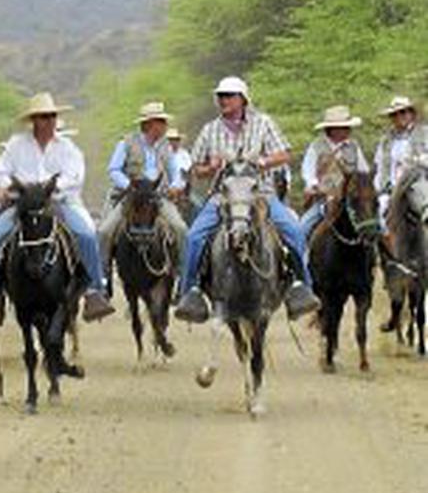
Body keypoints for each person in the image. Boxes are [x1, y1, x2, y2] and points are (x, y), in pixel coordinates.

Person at [174, 76, 321, 323]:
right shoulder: (210, 130)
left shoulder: (263, 124)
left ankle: (301, 287)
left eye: (229, 96)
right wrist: (210, 168)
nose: (223, 100)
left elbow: (284, 154)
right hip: (223, 195)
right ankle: (190, 292)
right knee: (194, 236)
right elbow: (195, 169)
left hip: (260, 193)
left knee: (294, 230)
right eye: (220, 96)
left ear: (242, 99)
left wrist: (262, 161)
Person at [0, 93, 115, 324]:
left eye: (52, 116)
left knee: (86, 235)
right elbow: (0, 170)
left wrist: (48, 188)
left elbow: (75, 177)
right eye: (44, 117)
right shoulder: (17, 145)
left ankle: (94, 291)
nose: (49, 121)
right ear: (34, 120)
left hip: (57, 201)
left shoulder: (68, 148)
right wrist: (10, 188)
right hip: (24, 203)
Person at [97, 102, 188, 294]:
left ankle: (183, 278)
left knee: (181, 229)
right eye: (161, 122)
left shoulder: (165, 146)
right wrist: (128, 185)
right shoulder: (126, 143)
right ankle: (103, 279)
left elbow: (175, 173)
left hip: (158, 196)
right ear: (149, 124)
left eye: (164, 122)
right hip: (132, 196)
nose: (164, 126)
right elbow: (113, 169)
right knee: (105, 231)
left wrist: (175, 186)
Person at [373, 96, 428, 331]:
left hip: (419, 183)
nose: (400, 117)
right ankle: (390, 263)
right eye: (396, 114)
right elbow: (379, 169)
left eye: (404, 112)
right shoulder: (385, 142)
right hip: (392, 189)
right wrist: (380, 189)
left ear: (411, 114)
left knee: (425, 203)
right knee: (376, 218)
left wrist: (418, 163)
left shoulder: (424, 134)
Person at [299, 105, 368, 239]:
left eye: (347, 127)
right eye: (343, 127)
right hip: (324, 200)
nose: (348, 130)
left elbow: (363, 171)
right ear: (332, 129)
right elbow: (308, 171)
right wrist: (315, 186)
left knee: (373, 226)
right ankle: (303, 258)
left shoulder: (353, 146)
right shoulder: (316, 147)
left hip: (351, 201)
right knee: (303, 227)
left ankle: (380, 256)